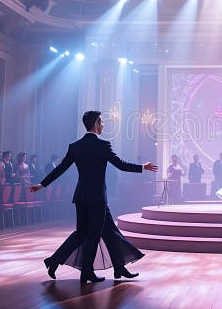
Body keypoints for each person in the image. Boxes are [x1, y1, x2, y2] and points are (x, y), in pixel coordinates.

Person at [31, 111, 158, 282]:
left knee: (100, 232)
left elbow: (60, 168)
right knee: (93, 236)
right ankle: (86, 272)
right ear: (96, 123)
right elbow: (121, 165)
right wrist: (143, 167)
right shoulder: (103, 145)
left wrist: (42, 184)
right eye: (102, 121)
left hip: (81, 197)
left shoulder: (75, 146)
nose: (103, 125)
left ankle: (117, 267)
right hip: (97, 198)